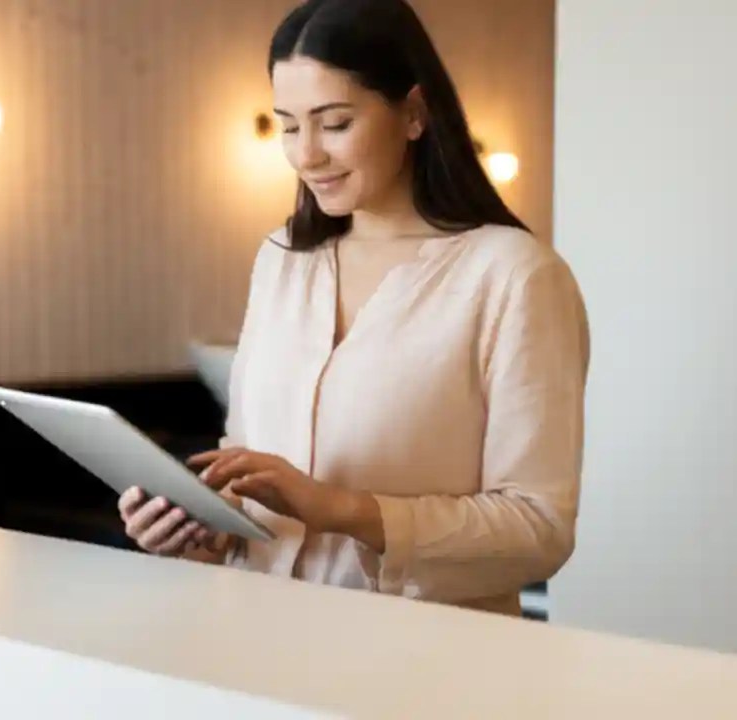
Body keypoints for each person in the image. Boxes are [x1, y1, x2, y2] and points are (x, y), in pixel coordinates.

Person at [119, 0, 589, 617]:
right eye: (289, 127)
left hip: (422, 658)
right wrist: (203, 529)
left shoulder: (513, 276)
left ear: (414, 113)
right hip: (258, 640)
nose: (306, 155)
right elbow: (247, 470)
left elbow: (538, 529)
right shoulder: (283, 260)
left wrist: (340, 509)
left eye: (334, 123)